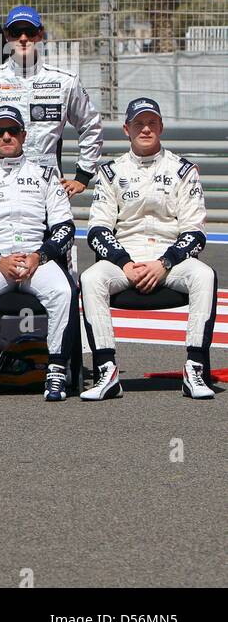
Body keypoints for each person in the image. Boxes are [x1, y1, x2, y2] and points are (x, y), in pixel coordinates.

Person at [81, 98, 217, 400]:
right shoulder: (110, 172)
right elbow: (98, 230)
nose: (146, 129)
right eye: (139, 124)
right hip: (124, 258)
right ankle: (106, 371)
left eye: (151, 123)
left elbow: (195, 232)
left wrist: (164, 263)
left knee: (204, 275)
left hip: (169, 258)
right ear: (127, 129)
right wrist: (125, 263)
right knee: (91, 278)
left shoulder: (183, 170)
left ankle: (194, 368)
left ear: (161, 128)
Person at [0, 106, 75, 403]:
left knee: (63, 291)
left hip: (37, 258)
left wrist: (39, 256)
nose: (6, 136)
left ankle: (57, 367)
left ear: (24, 134)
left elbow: (65, 227)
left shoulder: (45, 175)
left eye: (12, 131)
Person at [0, 5, 103, 198]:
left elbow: (91, 125)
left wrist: (83, 176)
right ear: (6, 36)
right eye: (16, 32)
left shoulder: (65, 80)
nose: (23, 38)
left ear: (40, 34)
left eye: (30, 31)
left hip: (47, 187)